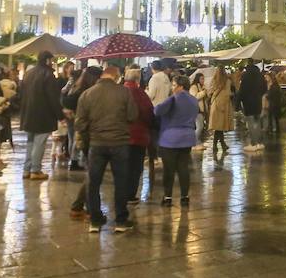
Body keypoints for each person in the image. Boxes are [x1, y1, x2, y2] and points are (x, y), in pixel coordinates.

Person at [73, 64, 139, 232]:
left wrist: (93, 129)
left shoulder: (87, 94)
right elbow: (133, 116)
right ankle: (121, 221)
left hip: (97, 144)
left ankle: (95, 221)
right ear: (116, 76)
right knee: (121, 181)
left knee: (93, 182)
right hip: (120, 143)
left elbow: (79, 124)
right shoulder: (124, 92)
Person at [155, 74, 200, 206]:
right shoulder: (193, 100)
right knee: (183, 168)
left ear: (180, 86)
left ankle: (168, 197)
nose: (172, 88)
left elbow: (157, 111)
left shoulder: (174, 99)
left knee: (169, 169)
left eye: (174, 85)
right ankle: (184, 197)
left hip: (170, 139)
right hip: (187, 138)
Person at [19, 51, 61, 180]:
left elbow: (22, 94)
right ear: (47, 60)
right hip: (43, 114)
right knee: (39, 142)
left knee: (30, 142)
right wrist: (60, 115)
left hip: (28, 113)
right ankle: (35, 170)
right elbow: (53, 97)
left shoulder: (28, 73)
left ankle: (27, 169)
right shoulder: (48, 74)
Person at [124, 68, 154, 203]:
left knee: (122, 166)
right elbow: (148, 113)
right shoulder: (139, 93)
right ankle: (130, 195)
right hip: (137, 136)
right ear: (138, 79)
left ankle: (120, 193)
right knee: (135, 167)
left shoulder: (119, 91)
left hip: (120, 136)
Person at [206, 67, 233, 159]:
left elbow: (209, 92)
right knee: (220, 127)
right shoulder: (228, 81)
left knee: (218, 126)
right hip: (224, 106)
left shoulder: (213, 81)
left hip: (215, 104)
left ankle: (221, 144)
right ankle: (218, 145)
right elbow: (228, 93)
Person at [238, 63, 266, 152]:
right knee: (257, 123)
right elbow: (264, 89)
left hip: (248, 103)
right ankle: (259, 143)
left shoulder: (245, 78)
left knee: (250, 124)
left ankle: (253, 143)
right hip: (258, 103)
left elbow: (241, 91)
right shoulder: (260, 77)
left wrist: (238, 103)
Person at [264, 70, 284, 136]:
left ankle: (270, 129)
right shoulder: (277, 86)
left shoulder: (272, 87)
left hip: (272, 104)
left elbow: (269, 96)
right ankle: (277, 129)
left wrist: (267, 96)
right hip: (277, 104)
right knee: (276, 118)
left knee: (270, 117)